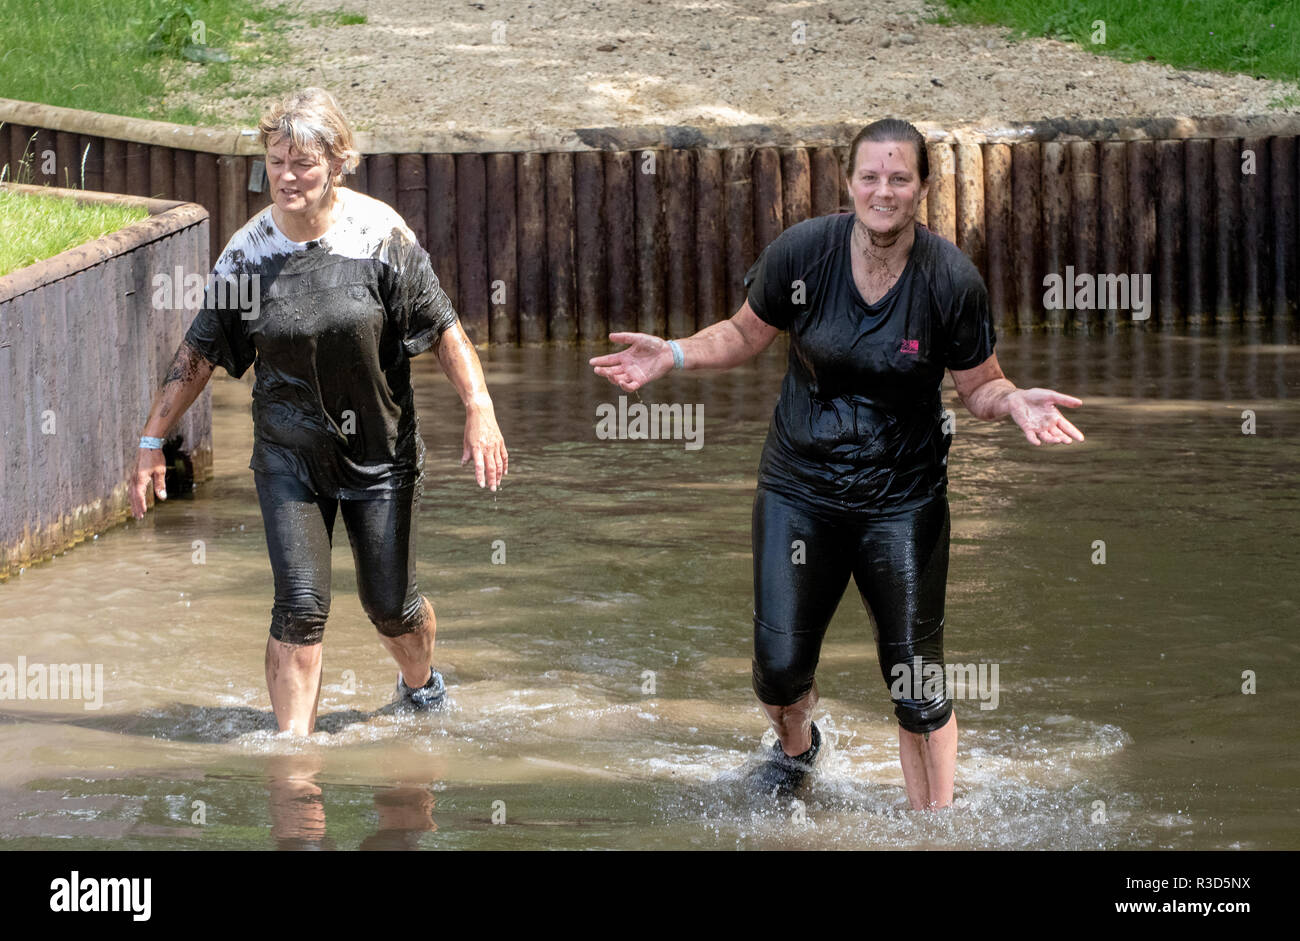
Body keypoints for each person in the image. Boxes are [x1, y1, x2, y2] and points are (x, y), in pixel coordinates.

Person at [590, 118, 1083, 810]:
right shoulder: (803, 255)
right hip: (802, 489)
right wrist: (671, 353)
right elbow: (742, 333)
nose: (884, 191)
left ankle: (933, 829)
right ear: (849, 182)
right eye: (871, 177)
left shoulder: (949, 280)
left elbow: (979, 387)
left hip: (902, 499)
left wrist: (1016, 400)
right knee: (779, 671)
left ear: (922, 188)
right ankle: (797, 750)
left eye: (900, 178)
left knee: (916, 683)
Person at [129, 88, 508, 735]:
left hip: (380, 453)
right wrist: (149, 439)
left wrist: (480, 406)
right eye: (276, 161)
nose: (286, 176)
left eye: (302, 163)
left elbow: (444, 329)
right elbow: (198, 354)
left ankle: (420, 686)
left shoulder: (382, 237)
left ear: (337, 161)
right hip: (288, 455)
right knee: (300, 605)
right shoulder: (248, 254)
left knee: (391, 605)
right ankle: (293, 756)